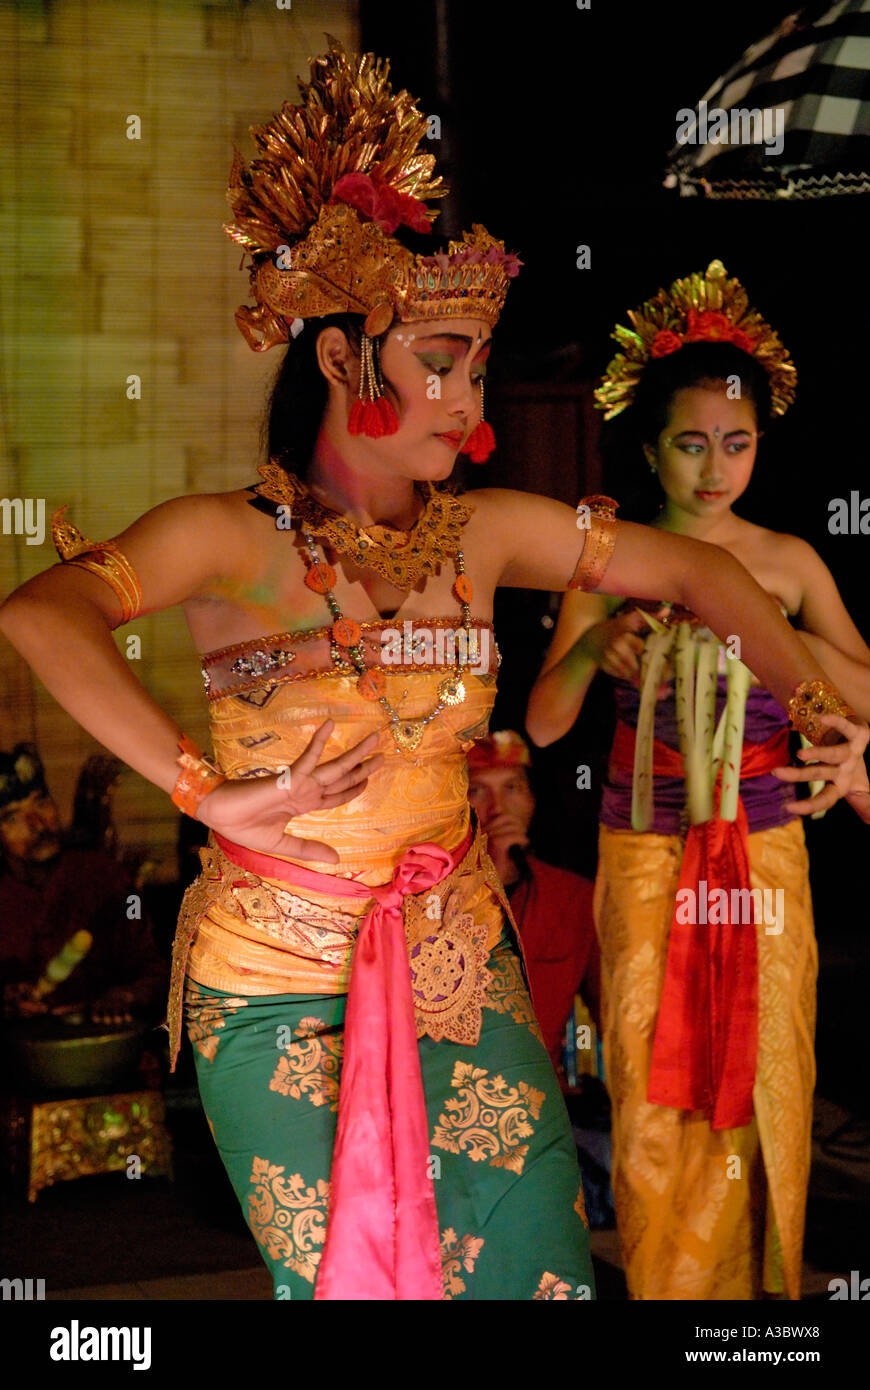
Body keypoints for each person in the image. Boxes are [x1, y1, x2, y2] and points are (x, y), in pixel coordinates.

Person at [0, 50, 866, 1301]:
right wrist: (203, 792)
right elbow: (44, 615)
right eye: (443, 363)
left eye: (473, 362)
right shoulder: (233, 538)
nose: (470, 402)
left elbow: (702, 579)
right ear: (349, 362)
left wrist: (827, 710)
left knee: (536, 1269)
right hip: (279, 984)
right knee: (363, 1278)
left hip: (461, 952)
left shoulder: (488, 533)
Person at [526, 261, 870, 1300]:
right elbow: (544, 724)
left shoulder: (790, 561)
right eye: (690, 443)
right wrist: (598, 648)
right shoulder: (607, 561)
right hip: (644, 856)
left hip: (766, 848)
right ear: (647, 448)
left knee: (770, 1069)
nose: (715, 467)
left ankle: (763, 1303)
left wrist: (789, 632)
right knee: (651, 1079)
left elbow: (862, 686)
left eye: (737, 442)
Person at [0, 742, 166, 1026]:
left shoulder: (110, 879)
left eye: (41, 802)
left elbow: (154, 969)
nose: (38, 824)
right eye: (13, 817)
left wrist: (125, 995)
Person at [466, 729, 600, 1073]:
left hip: (545, 1091)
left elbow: (612, 1016)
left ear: (532, 799)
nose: (498, 808)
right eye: (477, 790)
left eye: (513, 787)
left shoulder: (573, 898)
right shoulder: (428, 896)